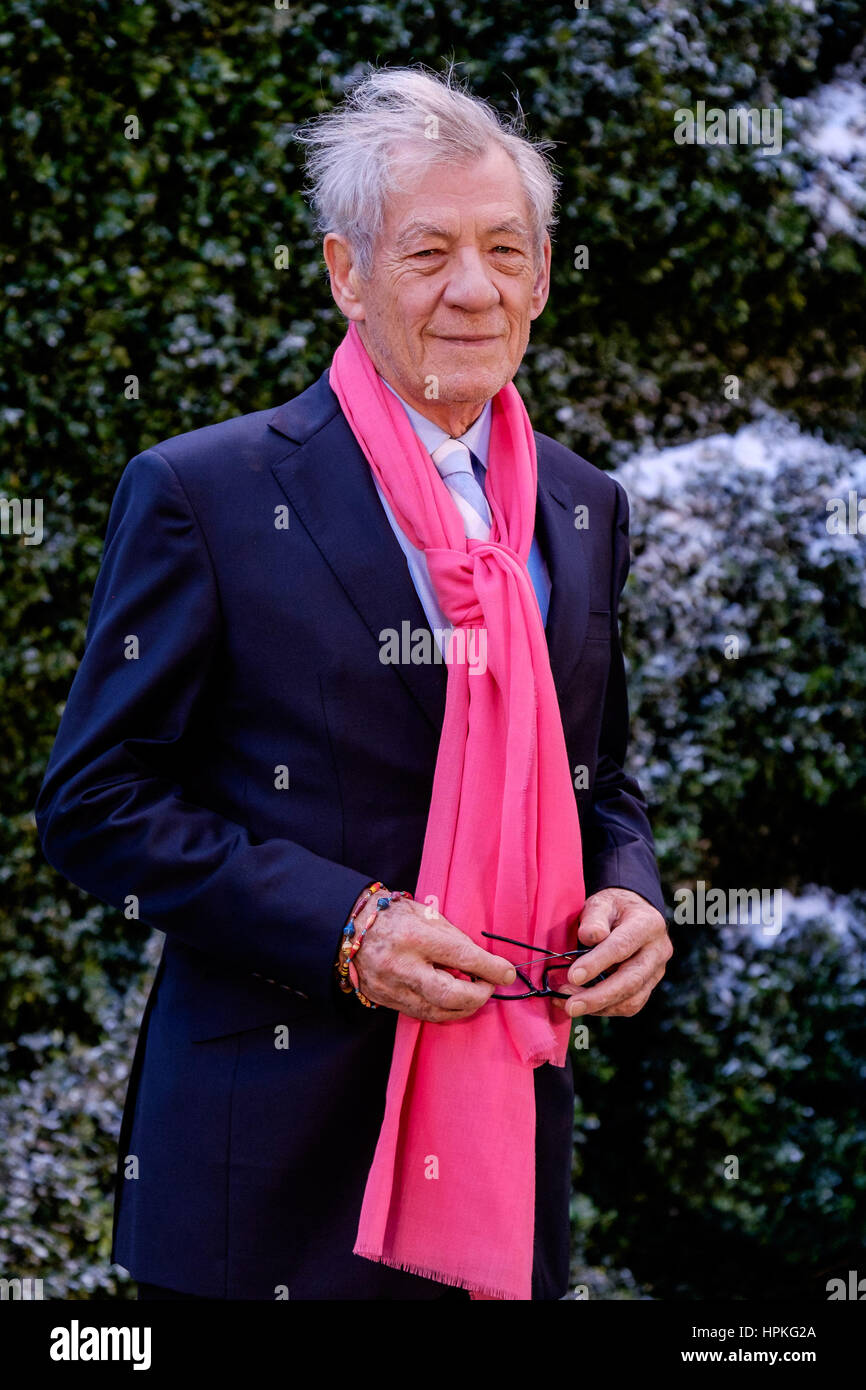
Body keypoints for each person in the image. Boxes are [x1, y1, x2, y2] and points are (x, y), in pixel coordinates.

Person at [35, 64, 671, 1302]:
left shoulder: (585, 507)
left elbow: (602, 779)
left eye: (504, 250)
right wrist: (349, 928)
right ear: (346, 272)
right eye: (428, 251)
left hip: (502, 1151)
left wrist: (631, 896)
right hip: (265, 1173)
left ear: (543, 278)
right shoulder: (204, 492)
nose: (472, 289)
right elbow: (96, 803)